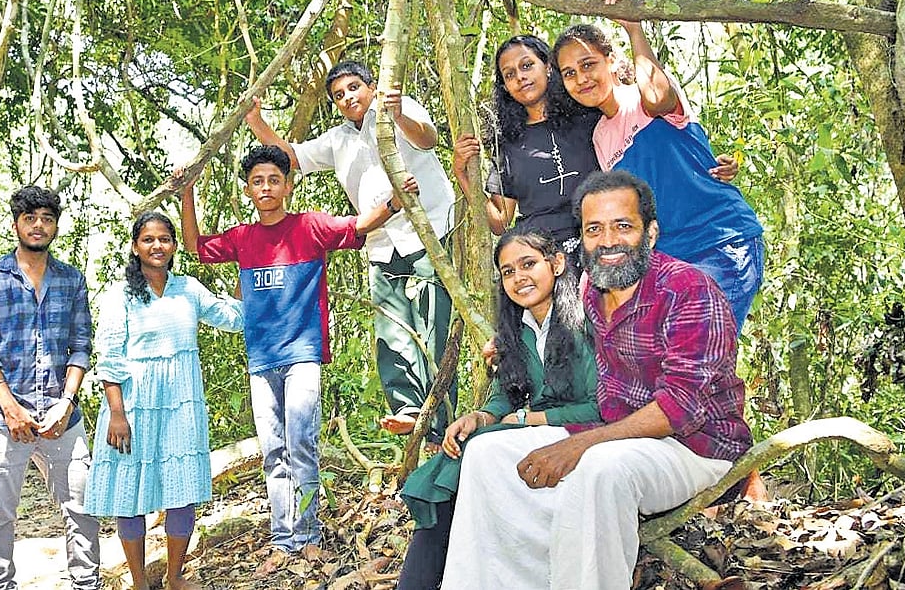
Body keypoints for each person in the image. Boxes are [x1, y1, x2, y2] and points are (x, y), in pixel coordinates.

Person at [440, 170, 751, 589]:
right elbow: (550, 336)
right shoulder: (592, 291)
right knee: (487, 453)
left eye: (622, 226)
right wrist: (508, 348)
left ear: (650, 233)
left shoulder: (687, 289)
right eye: (594, 229)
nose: (607, 241)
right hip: (617, 434)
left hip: (695, 447)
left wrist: (580, 443)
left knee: (600, 469)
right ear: (581, 238)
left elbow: (678, 410)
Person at [180, 145, 419, 576]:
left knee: (301, 446)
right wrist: (187, 191)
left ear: (288, 185)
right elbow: (196, 247)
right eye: (257, 181)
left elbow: (359, 225)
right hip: (261, 359)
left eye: (274, 179)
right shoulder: (243, 238)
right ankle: (282, 538)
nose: (266, 187)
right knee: (274, 452)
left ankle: (307, 536)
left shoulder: (309, 227)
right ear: (248, 190)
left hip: (302, 356)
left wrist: (394, 202)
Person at [245, 60, 455, 447]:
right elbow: (292, 157)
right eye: (339, 95)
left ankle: (442, 420)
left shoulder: (398, 106)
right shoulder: (338, 139)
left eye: (354, 87)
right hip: (381, 241)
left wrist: (397, 114)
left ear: (371, 86)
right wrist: (256, 121)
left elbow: (428, 138)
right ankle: (409, 409)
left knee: (434, 324)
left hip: (428, 229)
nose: (348, 98)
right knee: (391, 328)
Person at [396, 228, 599, 590]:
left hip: (582, 437)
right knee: (456, 463)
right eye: (508, 271)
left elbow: (602, 408)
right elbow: (509, 393)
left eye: (528, 264)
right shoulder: (516, 328)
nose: (519, 277)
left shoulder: (587, 320)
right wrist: (481, 416)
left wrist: (532, 418)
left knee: (462, 465)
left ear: (556, 264)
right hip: (532, 435)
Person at [553, 0, 764, 327]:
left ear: (611, 60)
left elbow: (657, 98)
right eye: (569, 73)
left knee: (699, 345)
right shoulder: (600, 137)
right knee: (668, 350)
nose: (581, 79)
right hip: (667, 260)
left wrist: (633, 28)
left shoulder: (645, 94)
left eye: (588, 64)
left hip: (718, 241)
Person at [453, 34, 738, 271]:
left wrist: (706, 166)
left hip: (602, 251)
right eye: (510, 74)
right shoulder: (508, 144)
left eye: (527, 65)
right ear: (504, 87)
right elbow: (500, 222)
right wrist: (463, 174)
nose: (520, 77)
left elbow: (650, 143)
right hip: (542, 262)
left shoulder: (591, 117)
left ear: (548, 68)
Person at [84, 212, 243, 590]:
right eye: (148, 239)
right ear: (135, 246)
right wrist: (117, 413)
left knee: (181, 491)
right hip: (132, 407)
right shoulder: (120, 295)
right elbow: (109, 357)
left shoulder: (188, 289)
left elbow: (233, 318)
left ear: (173, 246)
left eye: (164, 239)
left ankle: (174, 577)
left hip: (181, 405)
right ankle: (140, 582)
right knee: (130, 495)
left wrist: (248, 267)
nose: (157, 246)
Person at [0, 185, 101, 590]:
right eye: (30, 218)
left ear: (55, 227)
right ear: (16, 225)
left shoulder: (71, 280)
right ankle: (0, 585)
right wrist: (10, 408)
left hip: (61, 416)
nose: (38, 226)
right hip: (1, 418)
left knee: (83, 503)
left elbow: (81, 345)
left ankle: (86, 584)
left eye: (46, 219)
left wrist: (66, 402)